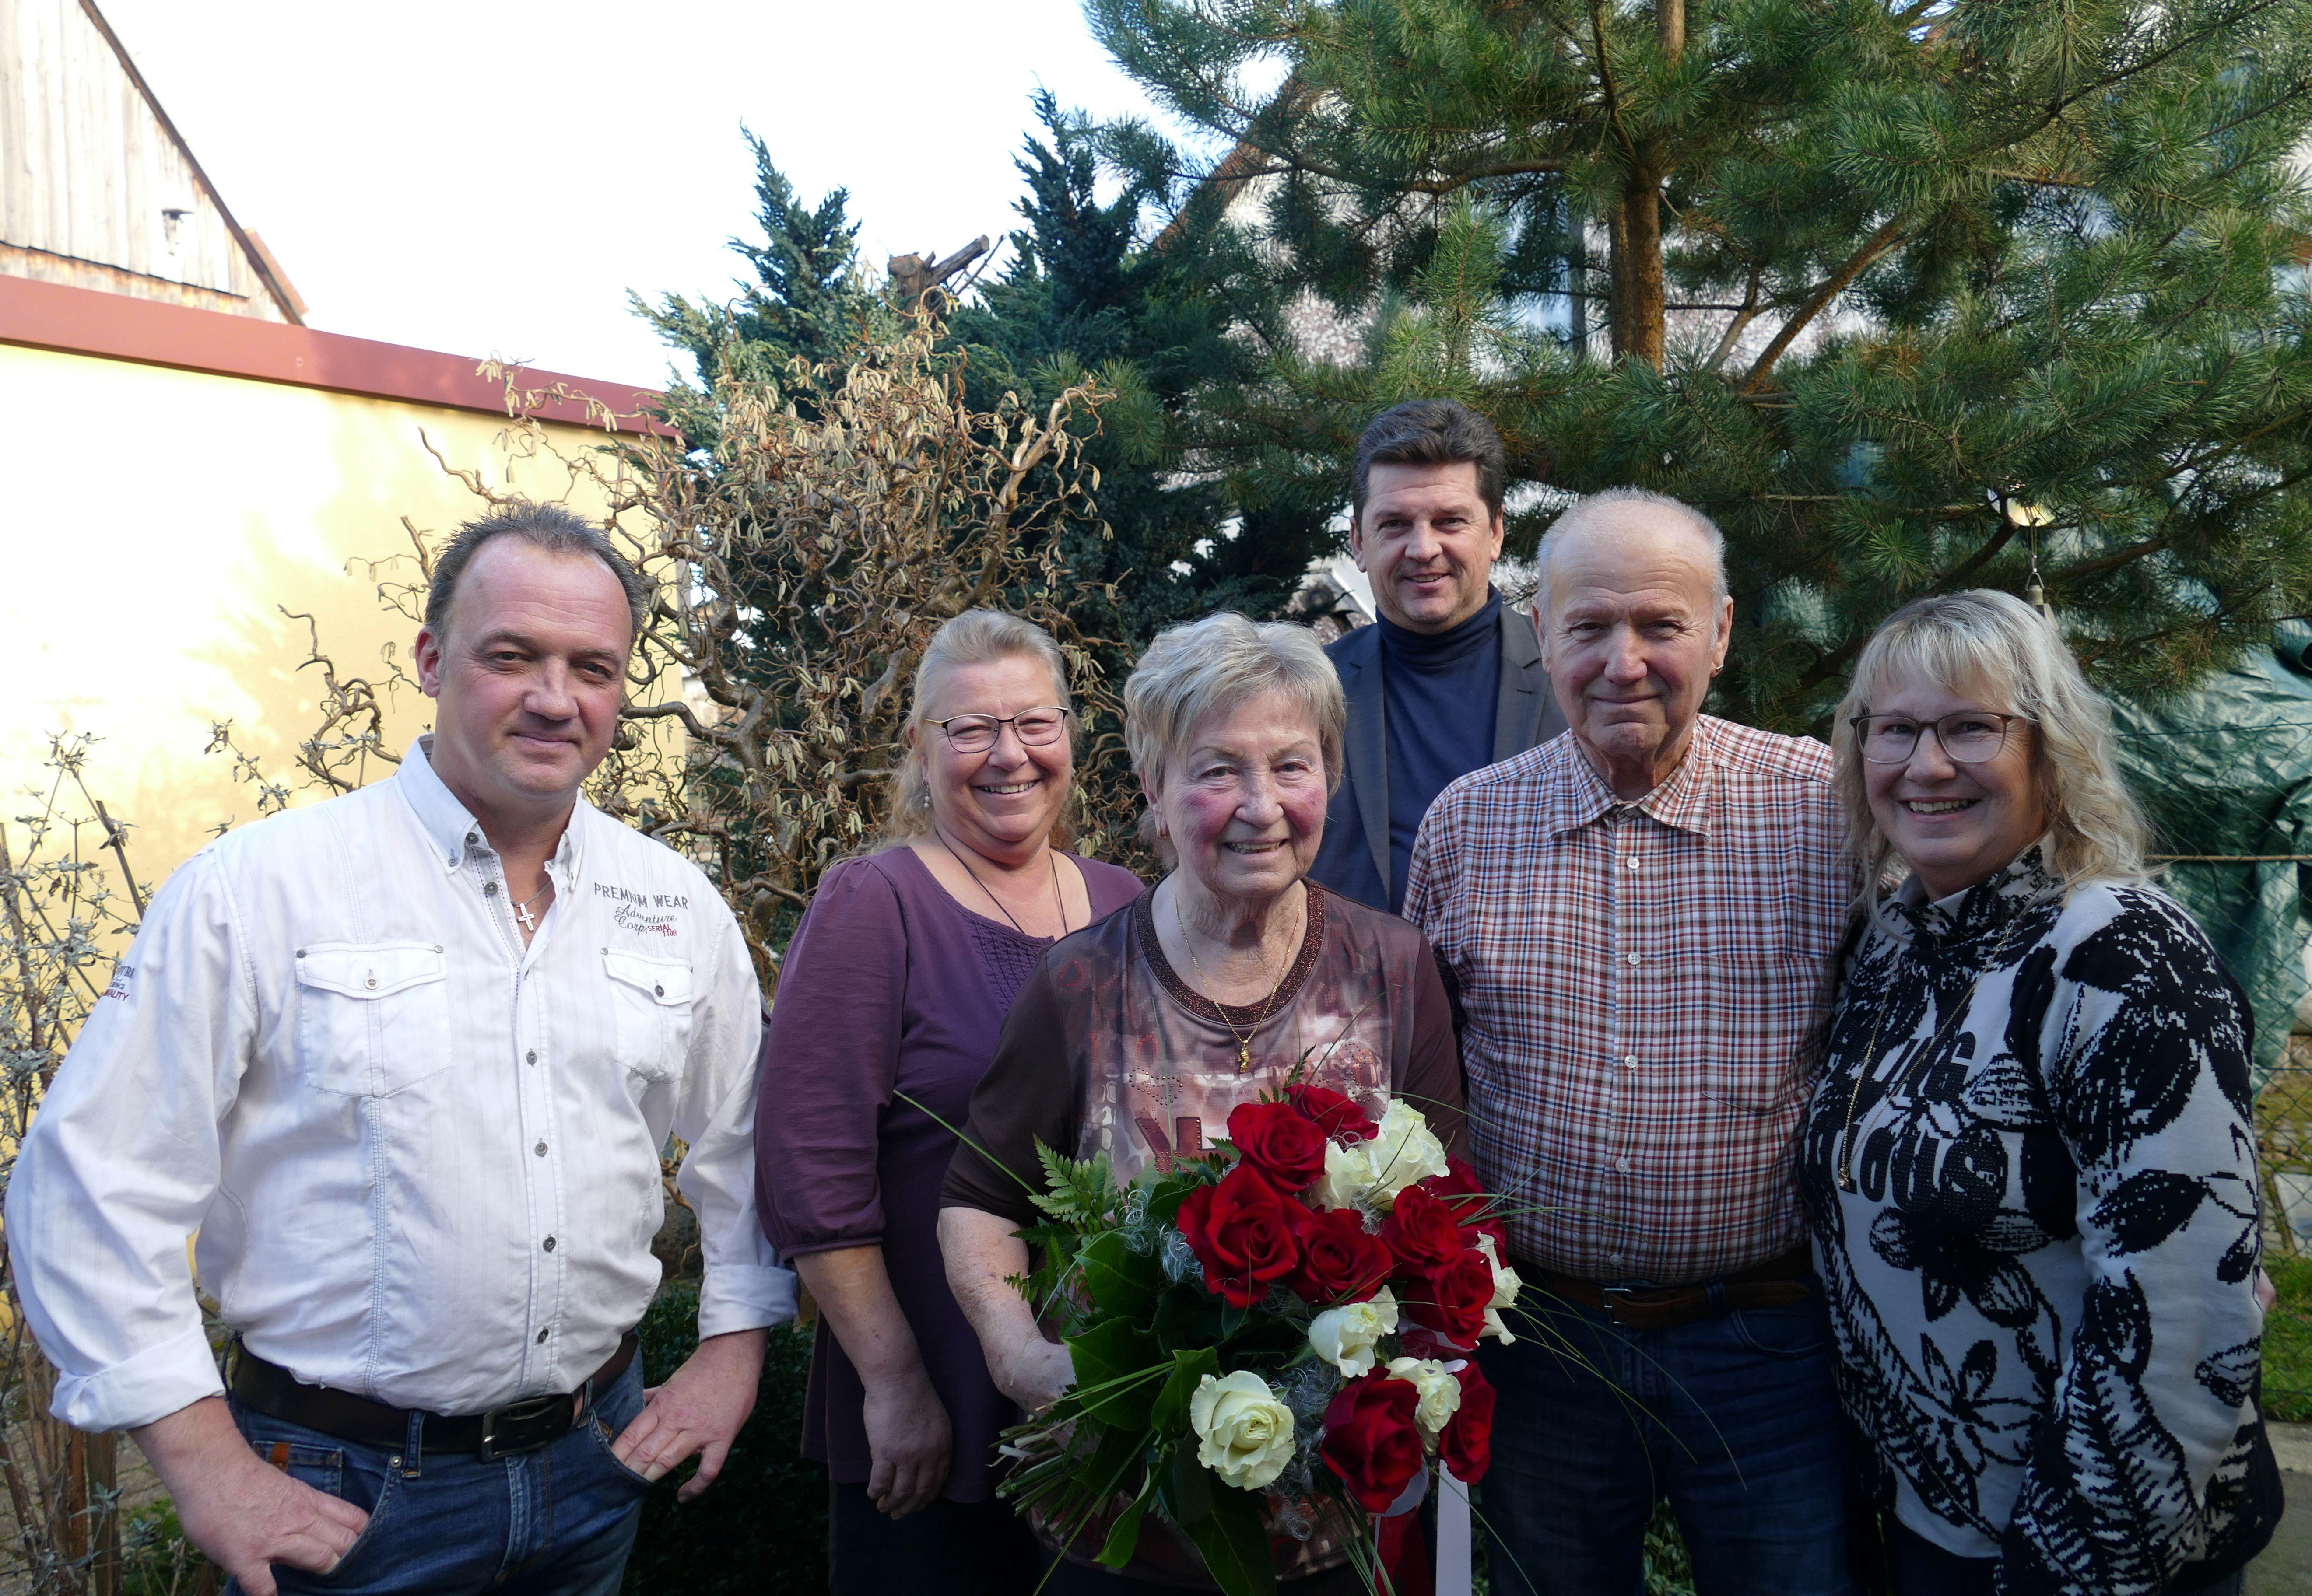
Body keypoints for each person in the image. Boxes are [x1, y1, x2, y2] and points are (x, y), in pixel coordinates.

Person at [4, 504, 795, 1596]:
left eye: (592, 667)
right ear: (431, 658)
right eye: (511, 657)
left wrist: (732, 1348)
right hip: (344, 1489)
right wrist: (204, 1467)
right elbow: (91, 1183)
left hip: (595, 1463)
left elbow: (745, 1144)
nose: (555, 699)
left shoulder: (673, 906)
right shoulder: (262, 889)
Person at [938, 611, 1467, 1592]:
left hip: (1329, 1526)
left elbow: (1450, 1215)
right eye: (1218, 770)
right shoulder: (1081, 983)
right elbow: (980, 1200)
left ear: (1332, 779)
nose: (1260, 806)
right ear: (1154, 787)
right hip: (1122, 1516)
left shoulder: (1394, 969)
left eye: (1292, 767)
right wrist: (1021, 1360)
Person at [1406, 487, 1854, 1596]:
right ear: (1541, 635)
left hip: (1765, 1341)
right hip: (1541, 1343)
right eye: (1588, 626)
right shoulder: (1466, 824)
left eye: (1659, 625)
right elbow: (1423, 1085)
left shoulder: (1823, 810)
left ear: (1720, 633)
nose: (1623, 661)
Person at [1798, 590, 2280, 1596]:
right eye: (1894, 730)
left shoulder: (2118, 958)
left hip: (2088, 1552)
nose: (1925, 765)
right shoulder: (1892, 940)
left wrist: (2070, 1566)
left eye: (1970, 726)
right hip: (1930, 1526)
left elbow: (2184, 1310)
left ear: (2048, 750)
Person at [754, 610, 1144, 1594]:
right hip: (936, 1394)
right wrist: (895, 1384)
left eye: (1034, 724)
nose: (1007, 755)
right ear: (922, 748)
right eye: (969, 729)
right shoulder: (873, 904)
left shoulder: (1127, 903)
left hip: (1109, 1397)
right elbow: (810, 1168)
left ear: (1070, 736)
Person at [1310, 400, 1567, 913]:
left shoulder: (1575, 683)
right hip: (1353, 991)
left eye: (1450, 521)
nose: (1423, 548)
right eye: (1395, 525)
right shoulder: (1309, 696)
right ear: (1358, 542)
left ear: (1495, 533)